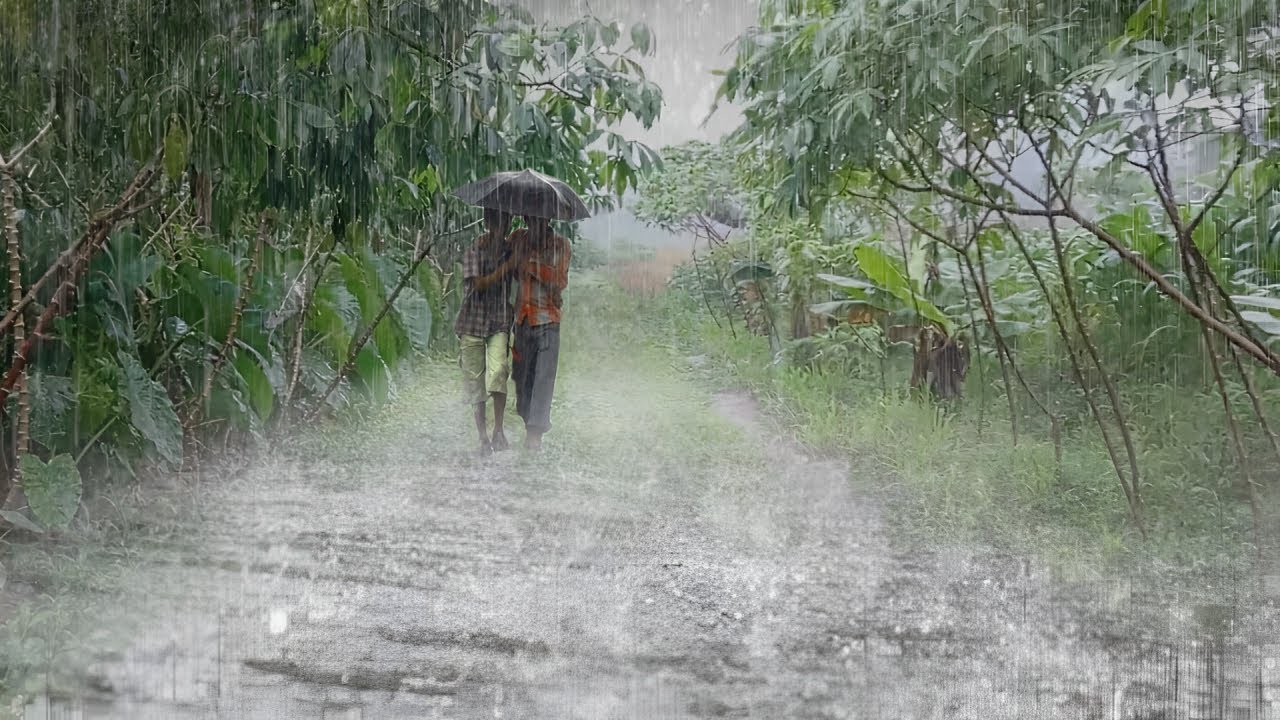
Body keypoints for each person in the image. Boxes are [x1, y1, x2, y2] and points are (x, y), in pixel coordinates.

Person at [454, 207, 522, 455]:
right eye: (500, 221)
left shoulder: (510, 250)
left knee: (498, 372)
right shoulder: (474, 250)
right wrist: (506, 267)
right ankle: (483, 436)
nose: (503, 227)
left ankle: (498, 430)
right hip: (472, 321)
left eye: (507, 221)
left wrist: (514, 258)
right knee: (475, 381)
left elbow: (523, 269)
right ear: (489, 223)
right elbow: (479, 284)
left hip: (499, 320)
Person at [509, 214, 571, 451]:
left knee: (543, 378)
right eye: (531, 218)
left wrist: (533, 267)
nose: (535, 222)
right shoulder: (518, 239)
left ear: (548, 219)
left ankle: (534, 433)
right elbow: (505, 262)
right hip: (522, 319)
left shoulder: (560, 245)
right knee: (522, 377)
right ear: (526, 218)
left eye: (540, 218)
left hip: (547, 320)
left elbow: (560, 280)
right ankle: (528, 419)